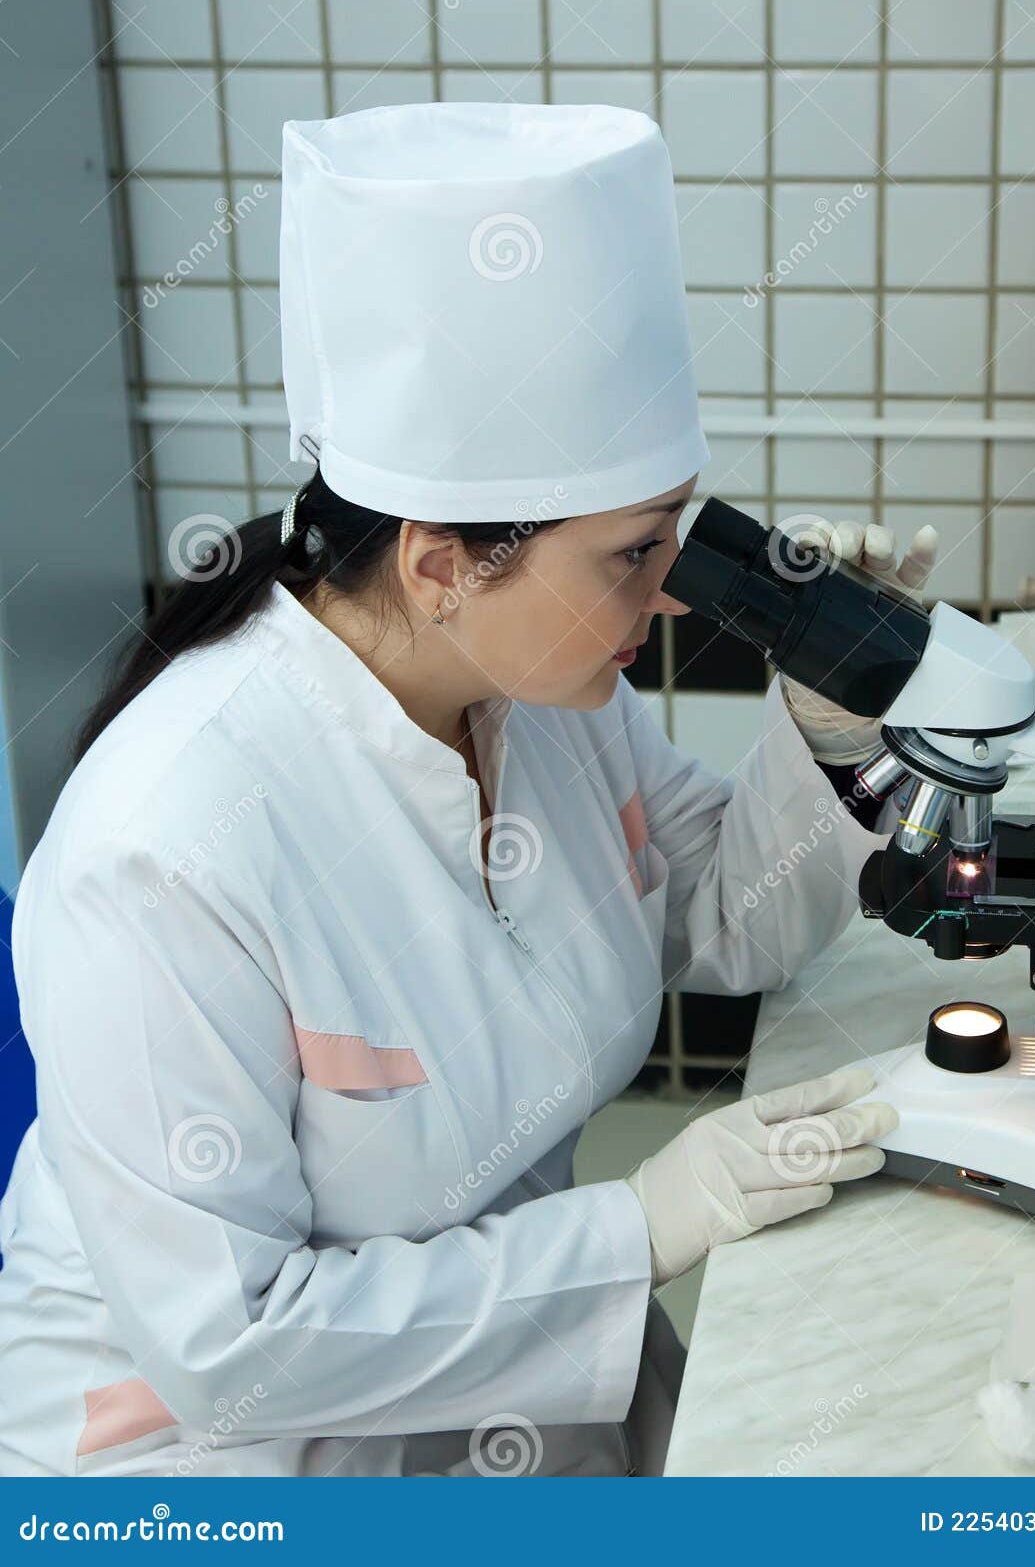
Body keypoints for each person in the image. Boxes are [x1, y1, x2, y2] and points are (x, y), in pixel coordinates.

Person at [0, 103, 933, 1477]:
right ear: (440, 566)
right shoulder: (162, 849)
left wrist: (831, 729)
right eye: (632, 553)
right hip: (215, 1461)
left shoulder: (540, 699)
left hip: (498, 1364)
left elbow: (723, 919)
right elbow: (229, 1349)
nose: (674, 590)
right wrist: (639, 1225)